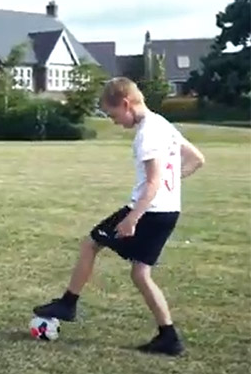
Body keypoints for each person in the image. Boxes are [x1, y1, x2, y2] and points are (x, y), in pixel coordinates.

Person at [32, 77, 205, 356]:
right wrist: (172, 185)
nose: (113, 121)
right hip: (168, 211)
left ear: (126, 104)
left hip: (149, 210)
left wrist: (133, 218)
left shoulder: (148, 132)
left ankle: (68, 303)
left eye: (113, 114)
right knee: (140, 273)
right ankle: (168, 337)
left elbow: (152, 182)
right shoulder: (164, 125)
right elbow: (197, 159)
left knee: (91, 243)